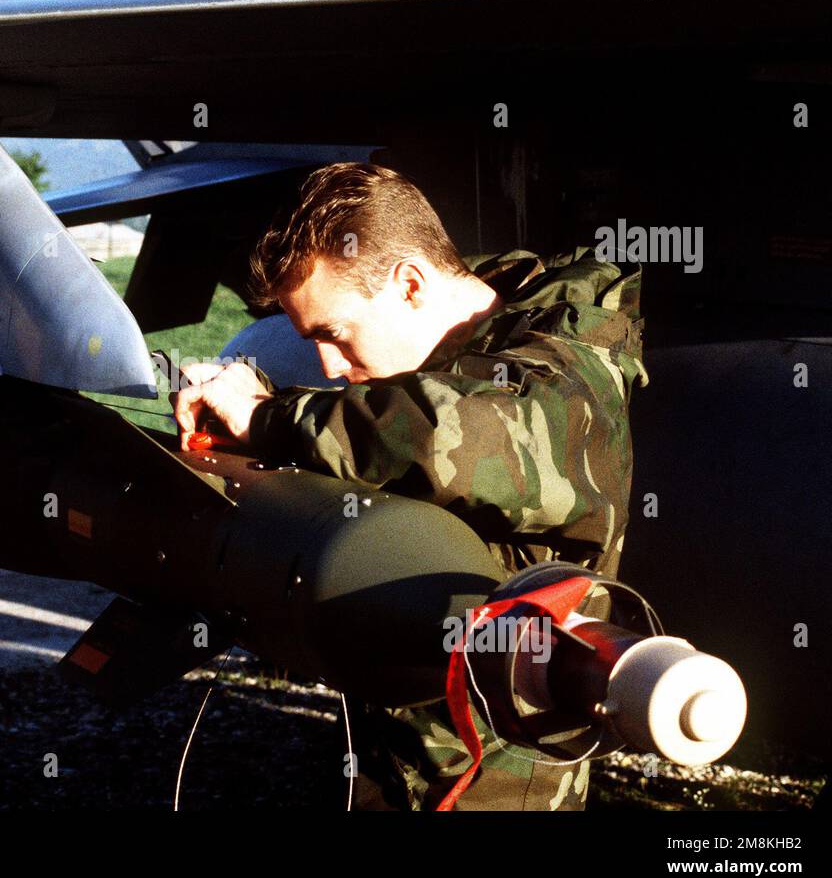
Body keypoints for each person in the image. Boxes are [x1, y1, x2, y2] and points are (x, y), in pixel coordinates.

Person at [172, 162, 648, 810]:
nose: (330, 368)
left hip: (497, 786)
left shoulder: (566, 373)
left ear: (411, 285)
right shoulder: (447, 355)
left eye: (334, 335)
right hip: (402, 760)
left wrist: (267, 417)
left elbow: (456, 434)